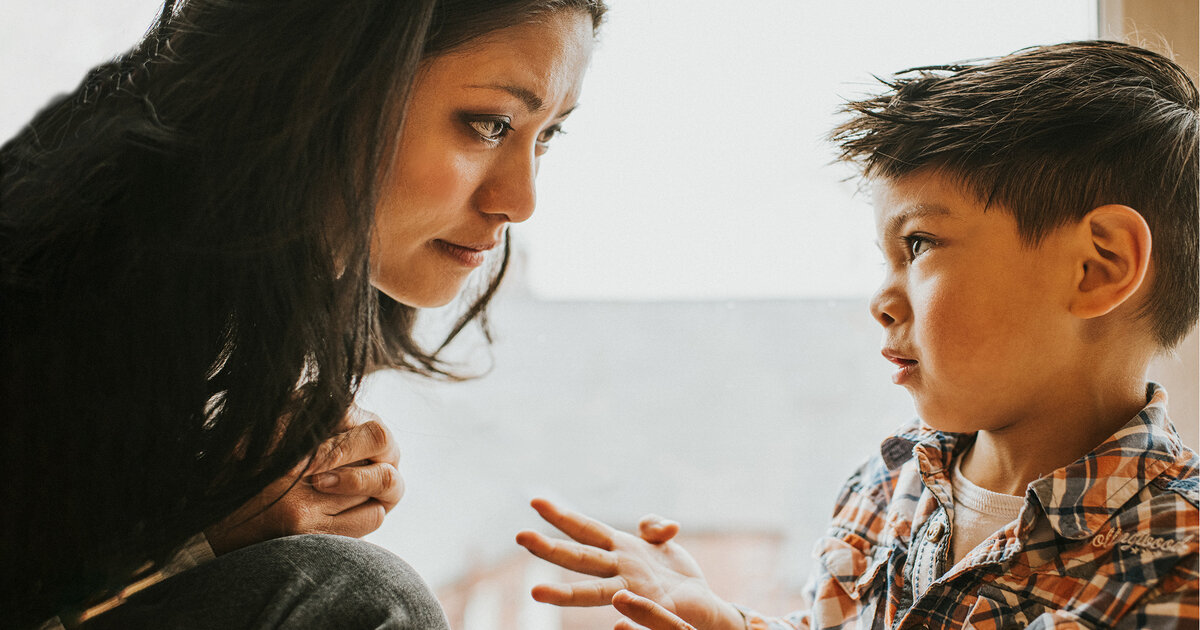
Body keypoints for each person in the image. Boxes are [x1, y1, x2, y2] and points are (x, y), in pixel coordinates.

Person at [516, 40, 1199, 629]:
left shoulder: (1180, 556)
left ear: (1097, 266)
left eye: (921, 244)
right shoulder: (888, 483)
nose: (881, 298)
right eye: (885, 257)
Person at [0, 0, 605, 628]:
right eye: (490, 124)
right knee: (363, 595)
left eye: (548, 134)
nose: (522, 200)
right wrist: (186, 539)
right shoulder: (80, 276)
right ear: (335, 74)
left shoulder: (281, 301)